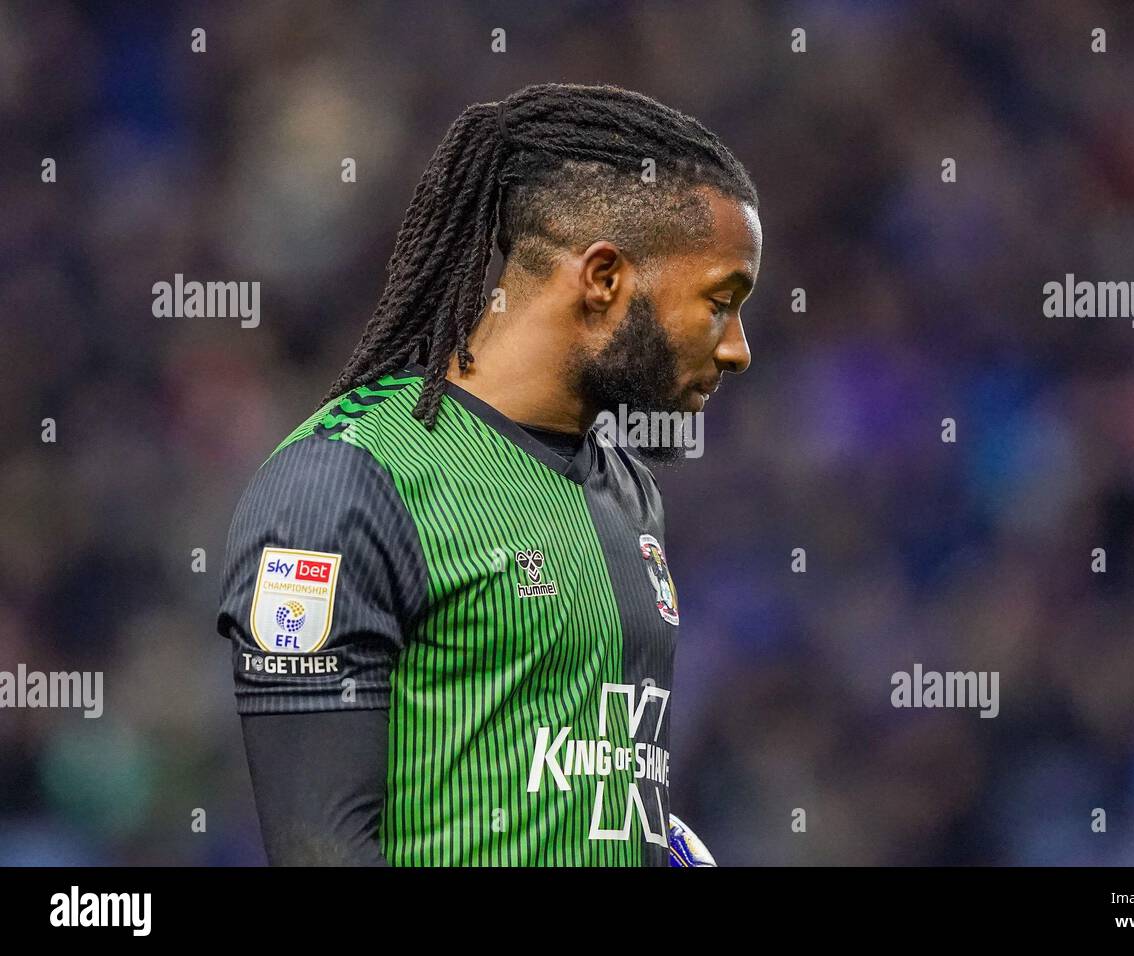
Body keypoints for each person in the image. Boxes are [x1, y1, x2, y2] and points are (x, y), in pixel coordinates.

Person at [216, 82, 762, 865]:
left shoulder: (627, 490)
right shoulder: (348, 481)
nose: (738, 346)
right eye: (720, 301)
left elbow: (595, 798)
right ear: (603, 277)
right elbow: (318, 848)